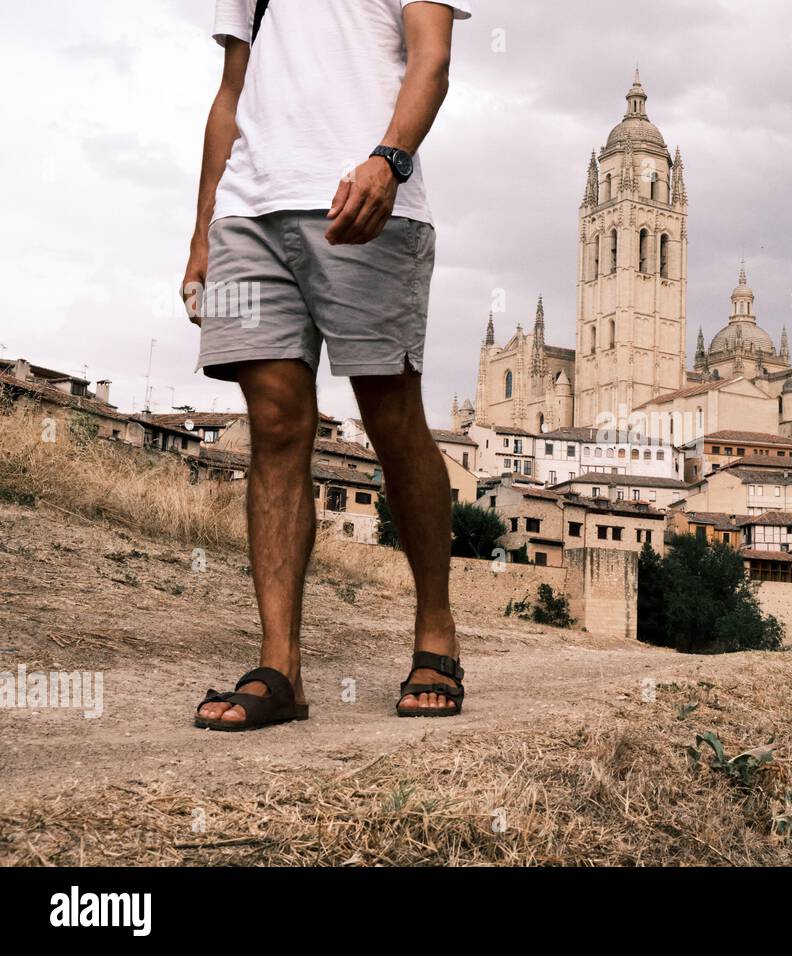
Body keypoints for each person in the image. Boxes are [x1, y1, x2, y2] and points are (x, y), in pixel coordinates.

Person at [183, 0, 472, 731]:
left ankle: (435, 632)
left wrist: (391, 160)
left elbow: (431, 59)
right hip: (247, 217)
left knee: (391, 417)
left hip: (369, 201)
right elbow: (230, 94)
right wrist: (201, 232)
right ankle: (280, 667)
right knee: (275, 424)